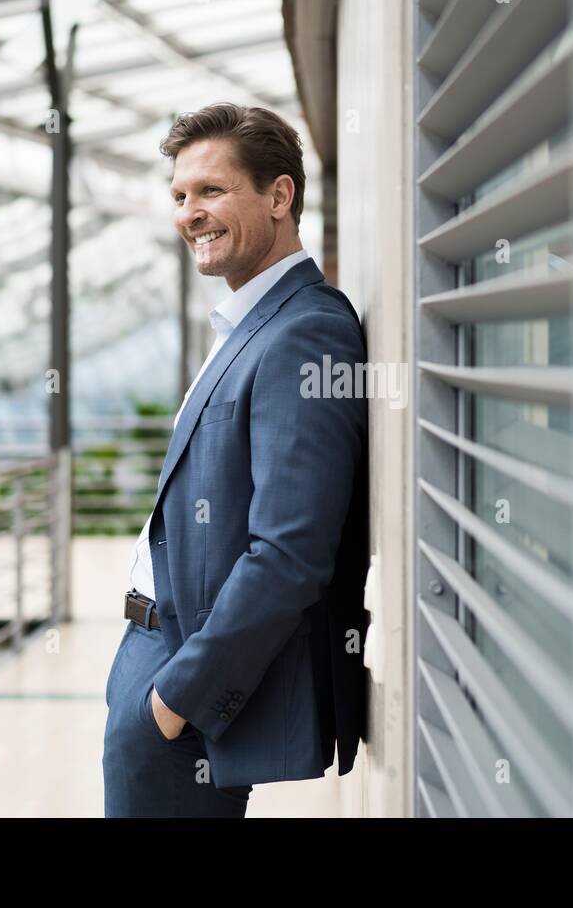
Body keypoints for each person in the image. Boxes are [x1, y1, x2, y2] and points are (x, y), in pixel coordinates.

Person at [102, 102, 370, 817]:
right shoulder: (252, 323)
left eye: (211, 191)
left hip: (180, 682)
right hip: (152, 653)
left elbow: (289, 553)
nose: (190, 213)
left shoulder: (306, 332)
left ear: (279, 196)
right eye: (180, 196)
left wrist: (174, 700)